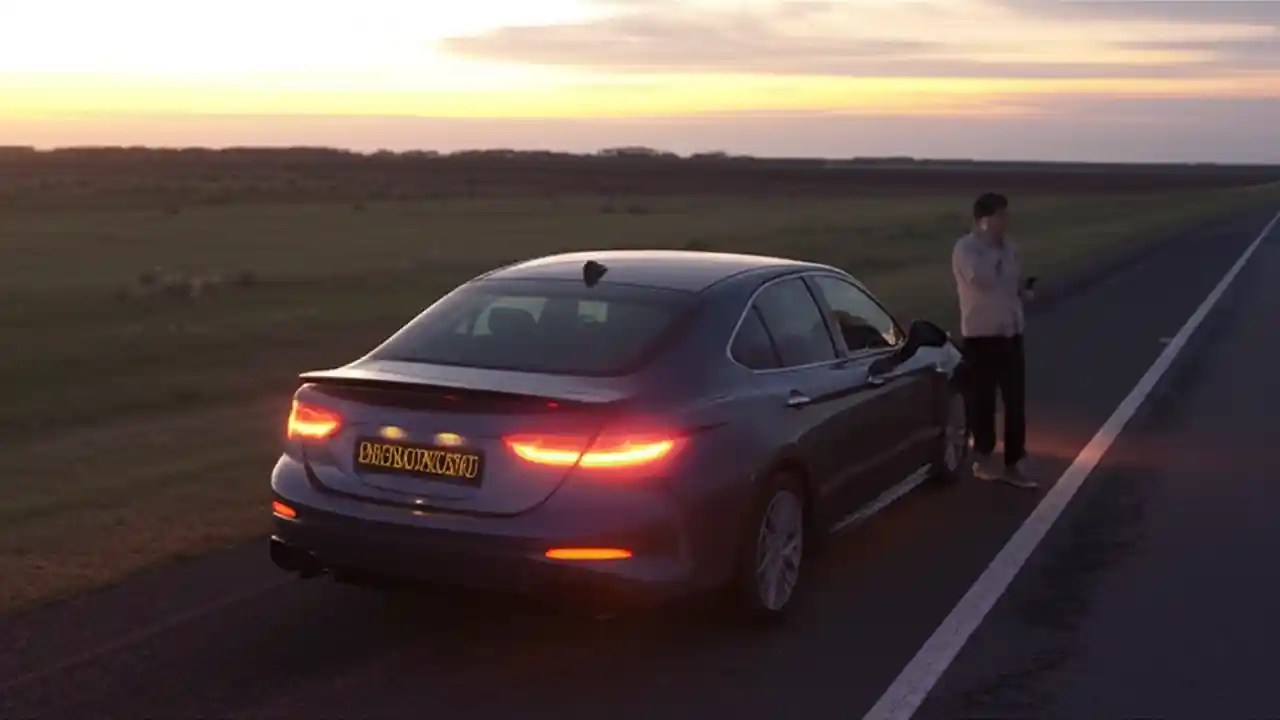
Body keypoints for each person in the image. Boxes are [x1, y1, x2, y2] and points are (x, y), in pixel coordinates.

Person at [952, 192, 1038, 488]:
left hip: (1011, 333)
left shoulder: (1009, 248)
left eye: (1006, 215)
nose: (1005, 222)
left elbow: (1011, 282)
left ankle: (1015, 462)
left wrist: (1023, 291)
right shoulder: (967, 249)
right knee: (983, 400)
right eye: (1000, 216)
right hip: (981, 336)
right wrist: (995, 250)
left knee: (1015, 401)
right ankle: (983, 459)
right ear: (983, 220)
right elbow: (982, 280)